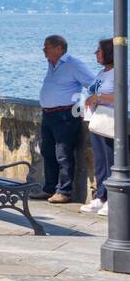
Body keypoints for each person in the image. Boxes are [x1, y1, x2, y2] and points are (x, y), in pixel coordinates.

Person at [39, 34, 97, 204]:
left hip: (65, 115)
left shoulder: (73, 64)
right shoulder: (52, 64)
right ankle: (50, 188)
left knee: (63, 153)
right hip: (49, 114)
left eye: (47, 46)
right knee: (48, 152)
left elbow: (93, 84)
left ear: (59, 48)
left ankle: (64, 191)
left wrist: (91, 99)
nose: (43, 50)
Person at [83, 38, 116, 215]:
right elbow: (92, 92)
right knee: (100, 161)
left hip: (110, 122)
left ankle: (112, 200)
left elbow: (122, 97)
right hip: (96, 121)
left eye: (99, 50)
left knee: (111, 161)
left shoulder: (120, 73)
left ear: (109, 52)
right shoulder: (102, 73)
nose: (96, 53)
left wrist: (99, 98)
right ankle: (101, 197)